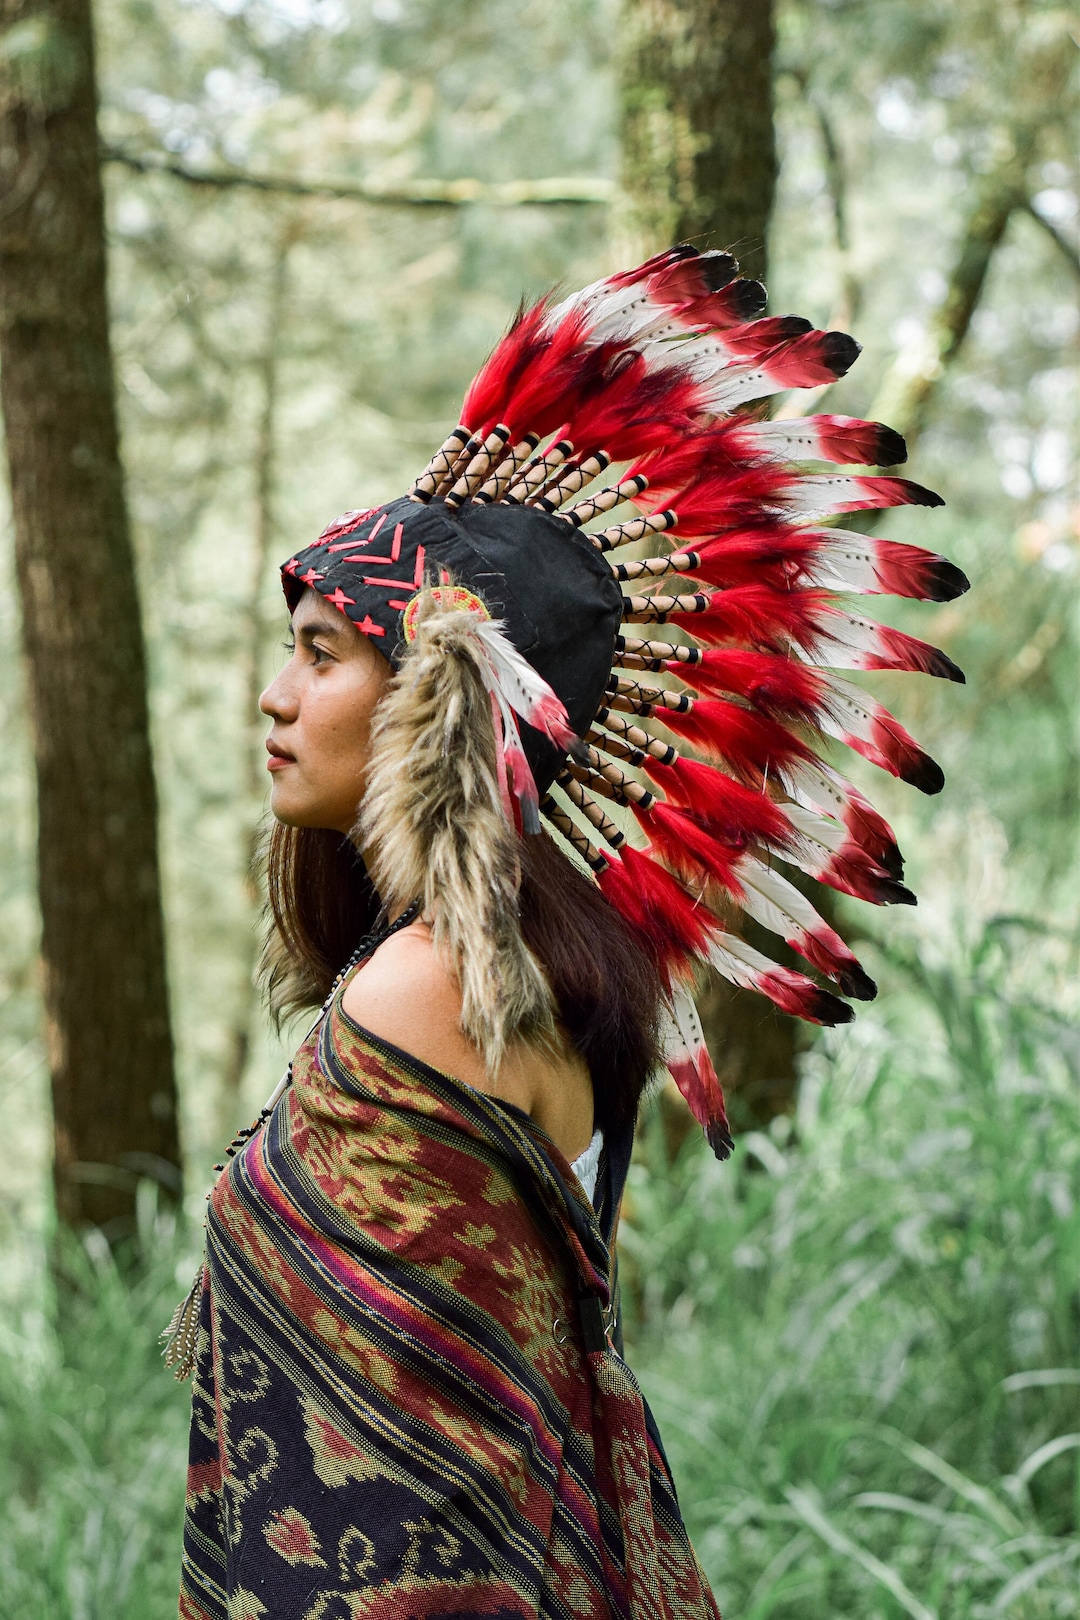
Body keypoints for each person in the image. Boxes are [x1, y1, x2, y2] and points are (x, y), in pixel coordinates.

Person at [169, 245, 967, 1619]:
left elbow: (392, 1488)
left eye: (319, 652)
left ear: (441, 694)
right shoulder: (527, 978)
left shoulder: (431, 990)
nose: (275, 695)